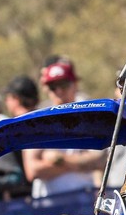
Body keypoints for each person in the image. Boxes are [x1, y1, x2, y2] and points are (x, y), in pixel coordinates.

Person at [24, 59, 104, 201]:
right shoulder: (37, 121)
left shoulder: (90, 116)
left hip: (84, 200)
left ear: (75, 84)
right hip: (49, 205)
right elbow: (32, 170)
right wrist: (80, 163)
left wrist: (58, 159)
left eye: (64, 84)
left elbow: (101, 161)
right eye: (53, 87)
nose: (59, 91)